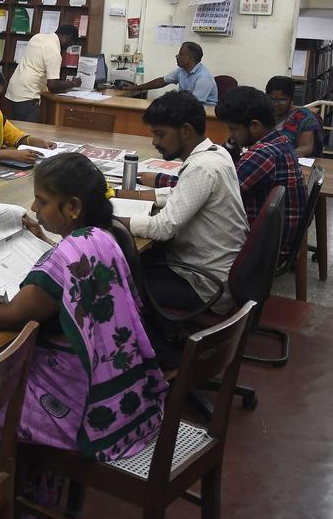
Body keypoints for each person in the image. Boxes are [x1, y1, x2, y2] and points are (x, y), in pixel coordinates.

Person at [0, 152, 166, 463]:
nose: (34, 208)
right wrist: (45, 240)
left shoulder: (68, 254)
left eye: (42, 201)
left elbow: (12, 315)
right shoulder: (107, 234)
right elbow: (74, 269)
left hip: (82, 405)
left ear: (73, 207)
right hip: (124, 391)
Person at [116, 92, 248, 315]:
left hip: (204, 285)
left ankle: (140, 343)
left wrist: (106, 218)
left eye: (160, 134)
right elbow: (179, 193)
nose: (155, 142)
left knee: (115, 283)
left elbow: (163, 228)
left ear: (186, 130)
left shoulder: (202, 167)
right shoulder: (216, 152)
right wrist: (123, 194)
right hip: (213, 270)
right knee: (130, 262)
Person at [214, 86, 307, 266]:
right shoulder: (279, 139)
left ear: (255, 125)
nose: (230, 135)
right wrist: (233, 145)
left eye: (232, 129)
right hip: (271, 240)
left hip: (262, 250)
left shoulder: (262, 154)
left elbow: (217, 191)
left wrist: (161, 180)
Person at [5, 24, 82, 122]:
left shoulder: (37, 37)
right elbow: (52, 85)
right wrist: (73, 83)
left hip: (13, 90)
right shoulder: (54, 52)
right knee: (28, 134)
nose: (67, 48)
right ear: (68, 37)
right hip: (28, 95)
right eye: (70, 44)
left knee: (16, 132)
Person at [120, 41, 218, 106]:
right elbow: (161, 82)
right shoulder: (182, 70)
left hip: (205, 115)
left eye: (180, 54)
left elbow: (194, 104)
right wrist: (134, 88)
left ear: (190, 58)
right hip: (188, 109)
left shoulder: (204, 77)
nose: (176, 56)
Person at [266, 75, 323, 157]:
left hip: (290, 163)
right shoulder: (262, 113)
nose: (275, 104)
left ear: (291, 98)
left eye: (282, 100)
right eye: (271, 99)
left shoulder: (304, 117)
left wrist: (278, 157)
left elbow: (306, 148)